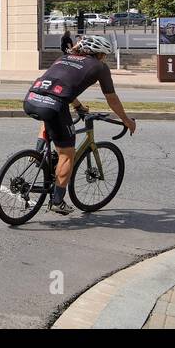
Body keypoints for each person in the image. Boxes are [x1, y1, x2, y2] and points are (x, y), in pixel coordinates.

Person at [23, 34, 136, 216]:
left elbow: (62, 86)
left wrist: (78, 106)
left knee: (50, 118)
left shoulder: (64, 58)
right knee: (67, 154)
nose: (104, 58)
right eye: (104, 55)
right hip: (53, 105)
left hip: (31, 98)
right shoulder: (100, 67)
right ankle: (57, 202)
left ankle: (37, 154)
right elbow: (112, 99)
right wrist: (126, 120)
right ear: (98, 54)